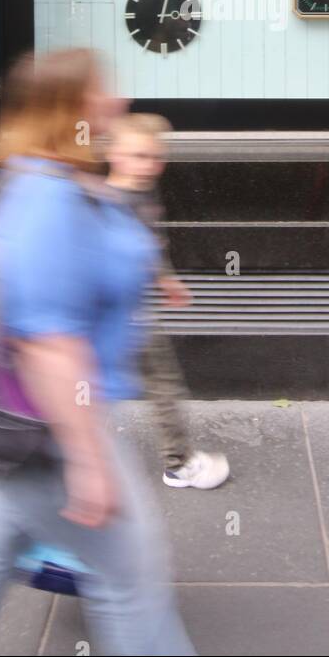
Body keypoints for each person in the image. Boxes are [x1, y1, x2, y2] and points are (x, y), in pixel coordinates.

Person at [0, 49, 195, 657]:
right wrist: (86, 460)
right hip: (48, 427)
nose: (118, 101)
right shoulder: (47, 196)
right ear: (72, 107)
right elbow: (48, 340)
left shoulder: (57, 175)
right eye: (103, 91)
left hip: (33, 418)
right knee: (132, 579)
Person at [105, 112, 229, 490]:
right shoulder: (107, 203)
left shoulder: (142, 191)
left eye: (155, 157)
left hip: (132, 308)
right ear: (113, 154)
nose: (150, 166)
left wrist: (165, 277)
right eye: (138, 156)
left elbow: (150, 244)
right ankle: (178, 464)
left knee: (150, 384)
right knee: (161, 384)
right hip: (119, 313)